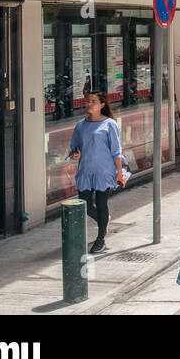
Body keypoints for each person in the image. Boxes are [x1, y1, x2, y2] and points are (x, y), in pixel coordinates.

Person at [68, 90, 129, 254]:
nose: (89, 103)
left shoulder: (110, 124)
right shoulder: (80, 125)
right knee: (85, 205)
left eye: (93, 101)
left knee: (102, 204)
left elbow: (116, 151)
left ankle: (100, 238)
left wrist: (119, 172)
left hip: (104, 170)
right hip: (86, 170)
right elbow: (75, 147)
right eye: (88, 100)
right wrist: (75, 153)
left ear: (102, 105)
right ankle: (104, 220)